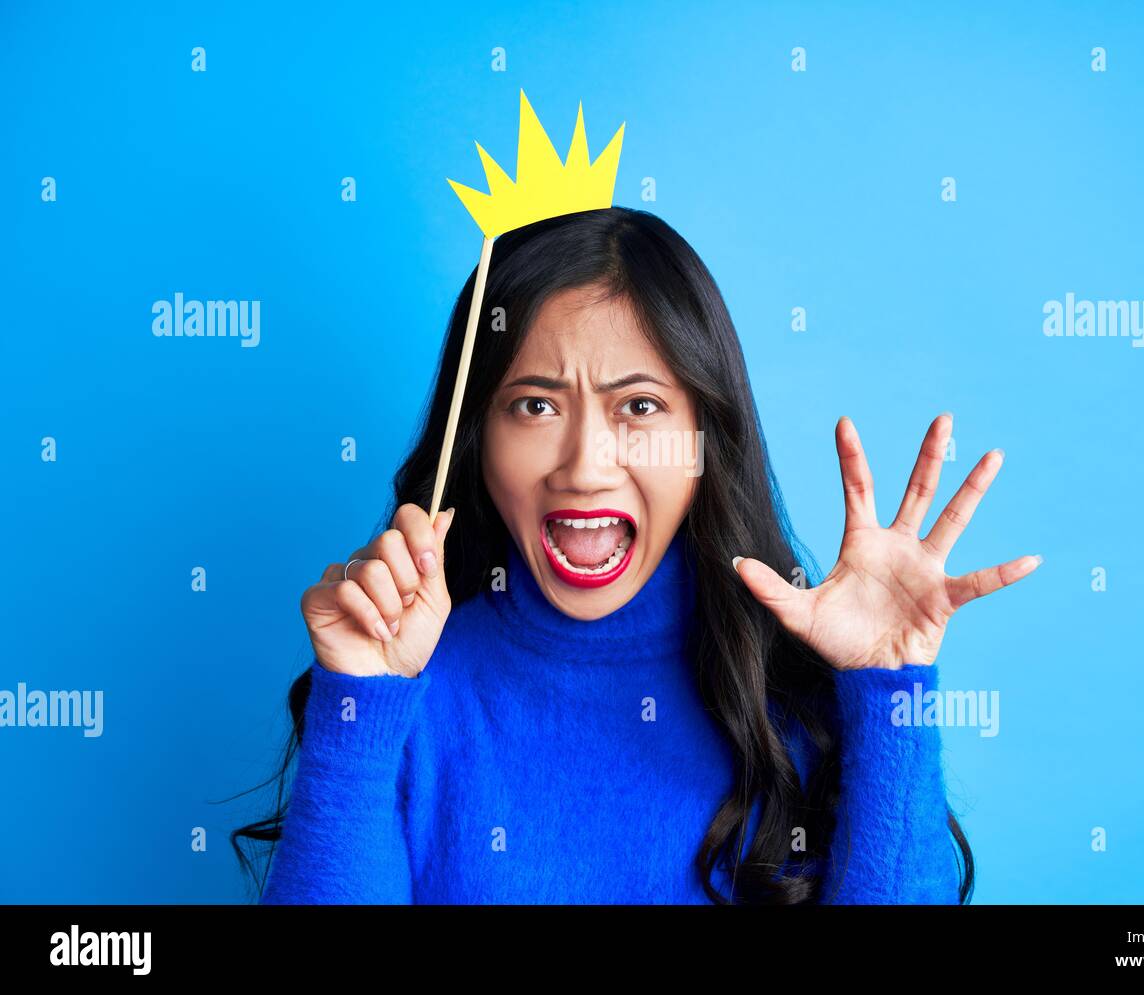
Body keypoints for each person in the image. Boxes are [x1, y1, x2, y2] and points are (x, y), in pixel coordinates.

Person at [233, 206, 1039, 904]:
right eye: (535, 404)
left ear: (704, 441)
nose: (585, 464)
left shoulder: (800, 693)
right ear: (476, 438)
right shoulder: (406, 694)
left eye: (640, 405)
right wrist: (359, 704)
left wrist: (890, 688)